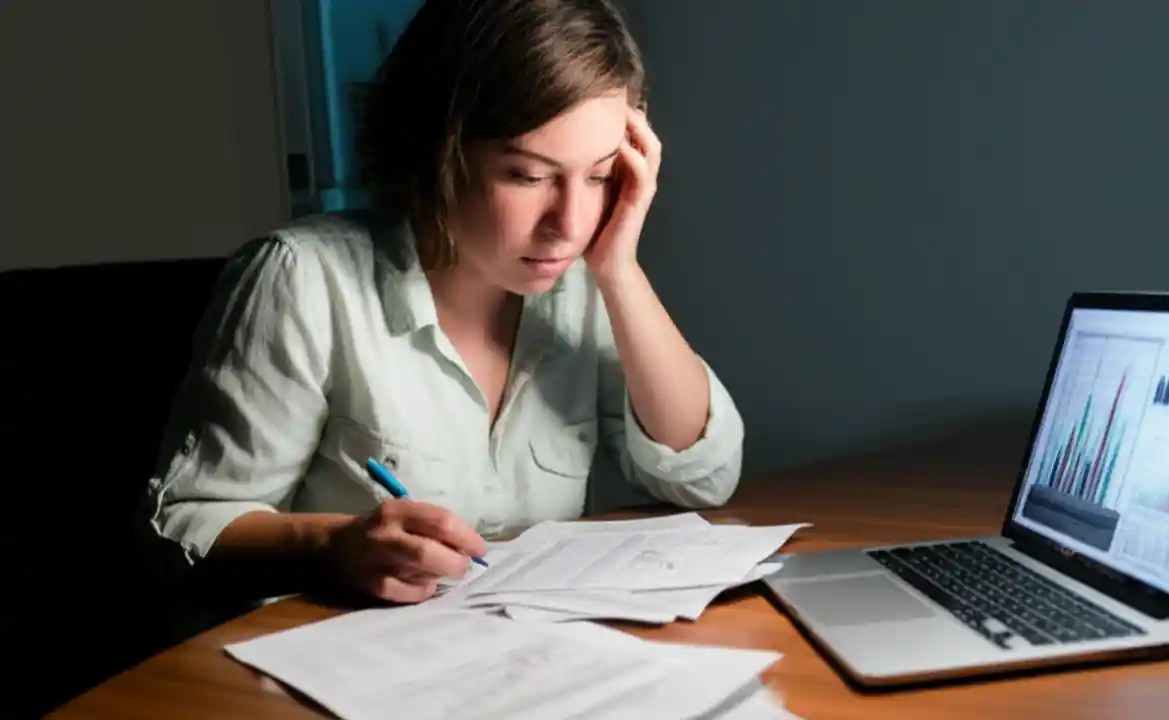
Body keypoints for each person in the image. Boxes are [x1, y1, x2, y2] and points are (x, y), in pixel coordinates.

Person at [142, 0, 744, 606]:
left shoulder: (583, 287)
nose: (569, 223)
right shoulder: (300, 280)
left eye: (599, 175)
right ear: (439, 155)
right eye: (529, 176)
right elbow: (184, 527)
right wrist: (333, 545)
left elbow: (704, 478)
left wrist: (620, 268)